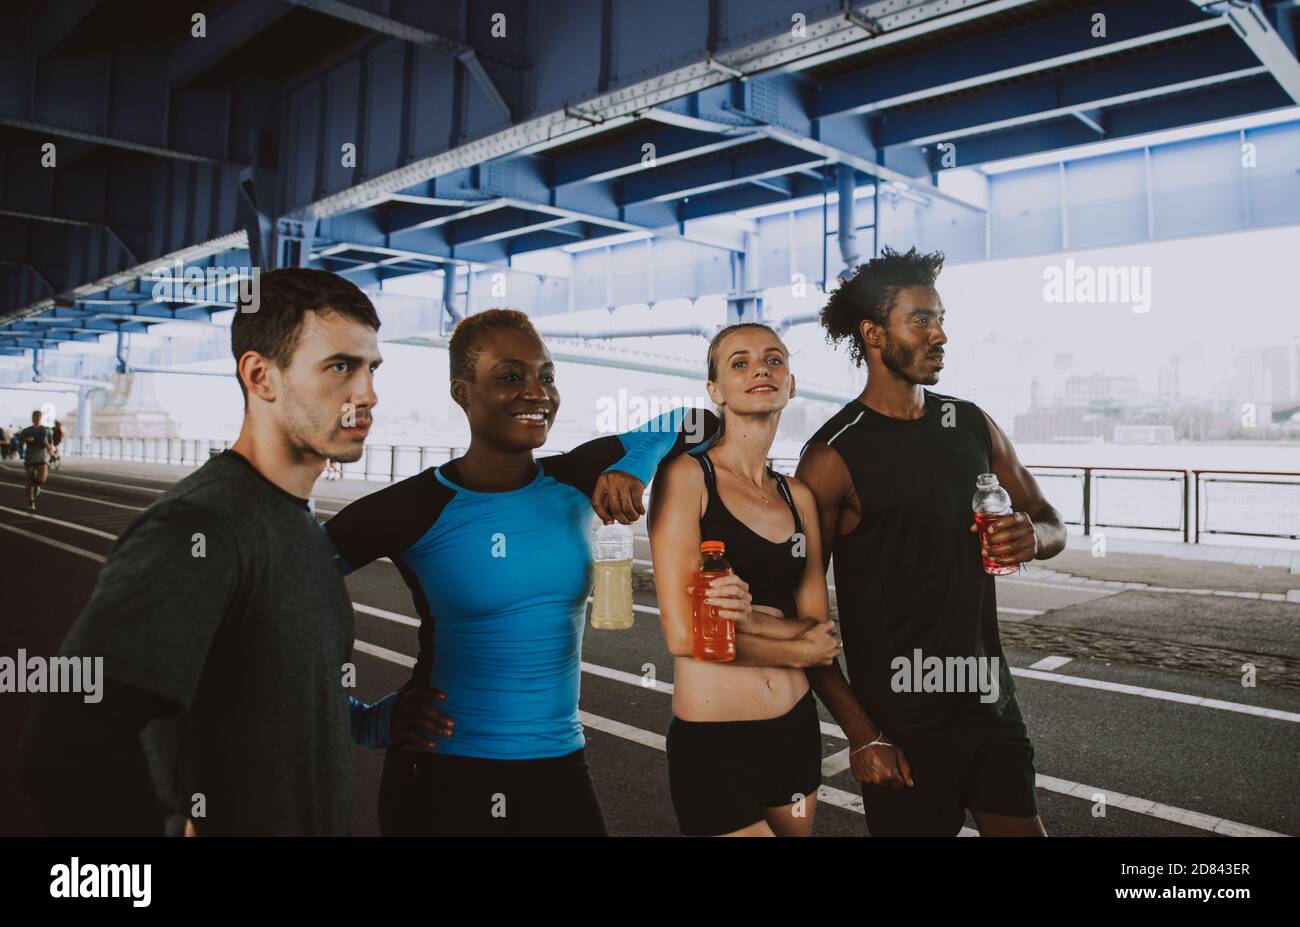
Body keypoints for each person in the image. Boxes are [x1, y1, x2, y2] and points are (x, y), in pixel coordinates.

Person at [19, 268, 396, 835]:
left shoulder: (299, 527)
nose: (366, 393)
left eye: (371, 368)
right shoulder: (200, 526)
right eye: (340, 366)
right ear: (260, 376)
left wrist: (370, 722)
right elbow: (64, 747)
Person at [325, 308, 718, 837]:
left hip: (559, 760)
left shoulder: (577, 475)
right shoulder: (411, 507)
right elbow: (275, 596)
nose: (538, 393)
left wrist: (634, 463)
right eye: (511, 377)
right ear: (462, 393)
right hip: (443, 774)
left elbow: (701, 422)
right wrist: (360, 720)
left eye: (547, 377)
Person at [795, 246, 1066, 837]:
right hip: (902, 723)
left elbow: (1050, 520)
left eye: (940, 318)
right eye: (921, 319)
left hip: (987, 699)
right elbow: (801, 620)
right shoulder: (832, 455)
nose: (940, 334)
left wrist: (1032, 538)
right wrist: (864, 734)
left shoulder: (970, 423)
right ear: (873, 334)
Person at [648, 323, 840, 837]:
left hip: (795, 730)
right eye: (740, 362)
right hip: (715, 738)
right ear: (715, 391)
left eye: (774, 359)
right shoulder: (686, 479)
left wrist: (750, 617)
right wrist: (794, 649)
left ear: (792, 384)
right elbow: (686, 636)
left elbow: (820, 629)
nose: (761, 368)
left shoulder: (798, 496)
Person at [17, 410, 54, 510]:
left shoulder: (46, 431)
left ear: (41, 418)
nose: (36, 418)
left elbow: (51, 445)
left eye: (38, 416)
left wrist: (51, 452)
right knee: (29, 480)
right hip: (30, 458)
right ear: (32, 418)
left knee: (42, 479)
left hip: (42, 458)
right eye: (34, 416)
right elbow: (19, 445)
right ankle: (30, 502)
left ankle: (37, 486)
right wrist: (25, 440)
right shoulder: (26, 431)